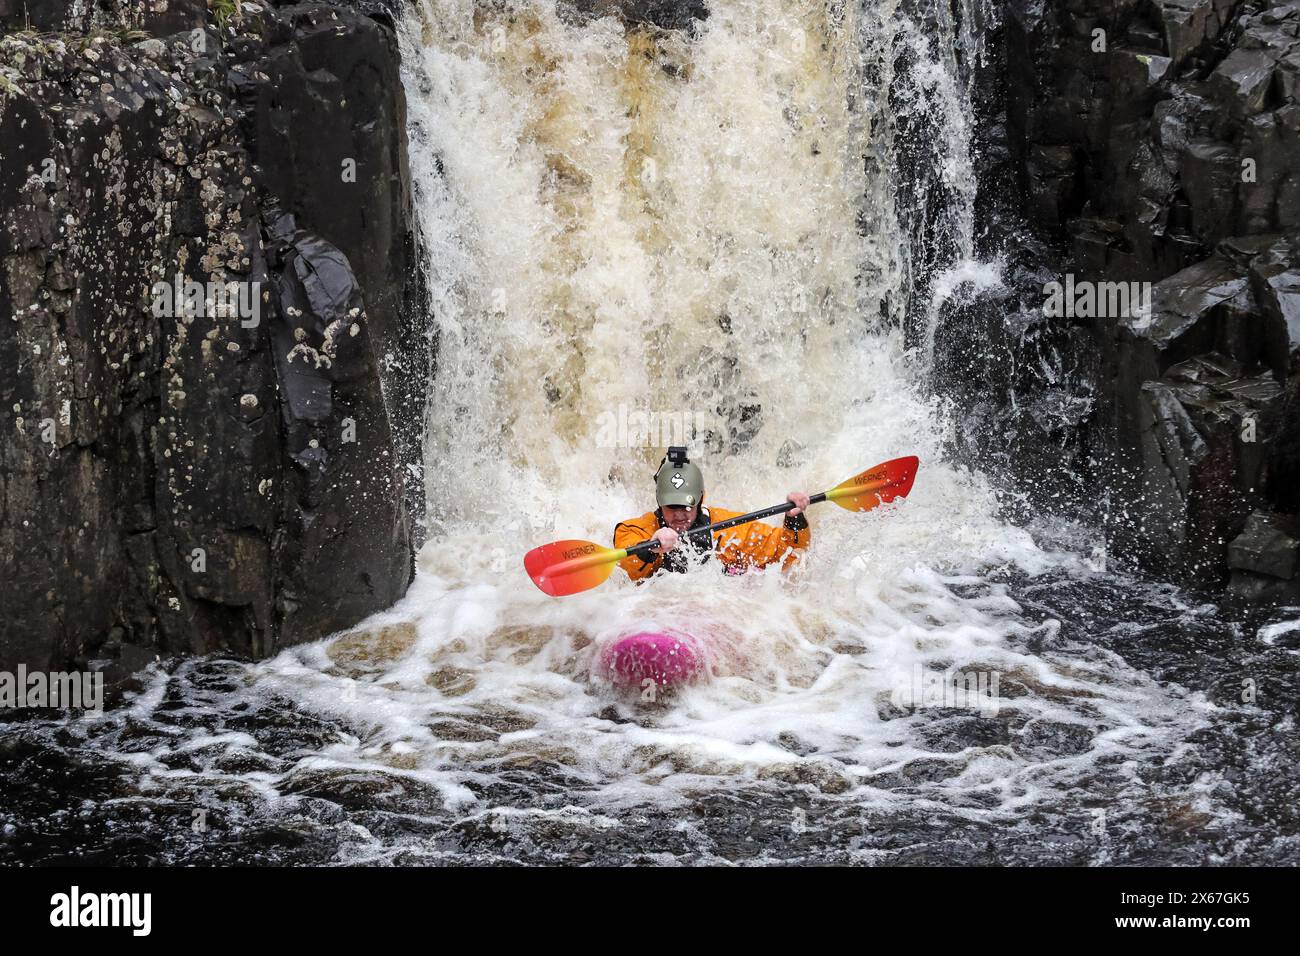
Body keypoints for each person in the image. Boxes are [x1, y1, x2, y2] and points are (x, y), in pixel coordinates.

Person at [613, 447, 811, 582]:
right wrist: (650, 548)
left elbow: (791, 552)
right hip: (661, 610)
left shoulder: (730, 528)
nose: (680, 515)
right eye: (672, 506)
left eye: (688, 505)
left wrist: (794, 518)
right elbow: (625, 563)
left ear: (701, 498)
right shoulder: (639, 529)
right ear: (659, 502)